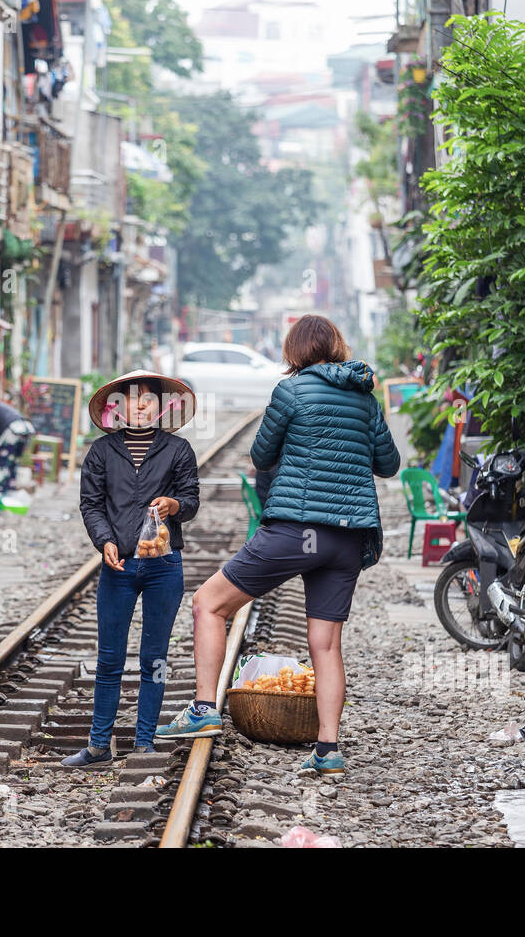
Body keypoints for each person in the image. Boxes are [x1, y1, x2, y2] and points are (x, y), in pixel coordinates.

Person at [157, 315, 400, 775]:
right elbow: (387, 463)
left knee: (209, 604)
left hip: (297, 530)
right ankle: (327, 749)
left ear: (294, 351)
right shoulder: (365, 398)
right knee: (326, 646)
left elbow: (261, 455)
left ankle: (204, 710)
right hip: (347, 537)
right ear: (337, 345)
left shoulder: (291, 391)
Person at [63, 370, 200, 765]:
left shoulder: (178, 450)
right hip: (118, 567)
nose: (139, 405)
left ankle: (144, 742)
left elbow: (190, 500)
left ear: (162, 406)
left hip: (164, 566)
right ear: (117, 407)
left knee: (154, 657)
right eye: (130, 398)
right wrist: (104, 540)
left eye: (148, 399)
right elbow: (90, 504)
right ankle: (98, 745)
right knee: (109, 658)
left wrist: (173, 505)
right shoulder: (102, 452)